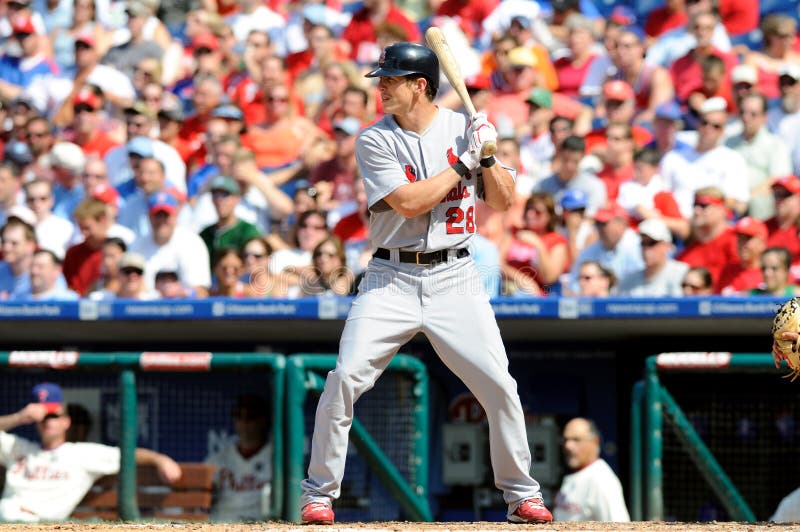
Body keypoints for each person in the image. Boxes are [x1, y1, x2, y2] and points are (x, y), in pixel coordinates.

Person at [300, 42, 553, 525]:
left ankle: (522, 494)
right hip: (390, 276)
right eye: (381, 79)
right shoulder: (373, 139)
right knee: (345, 378)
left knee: (498, 384)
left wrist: (487, 157)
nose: (381, 87)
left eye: (390, 80)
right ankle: (319, 493)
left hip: (456, 274)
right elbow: (411, 203)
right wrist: (462, 164)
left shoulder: (464, 129)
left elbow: (501, 200)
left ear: (420, 86)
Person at [0, 382, 181, 522]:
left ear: (67, 422)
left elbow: (127, 454)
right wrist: (19, 417)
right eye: (43, 418)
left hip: (35, 523)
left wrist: (160, 459)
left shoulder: (82, 455)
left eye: (54, 416)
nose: (48, 422)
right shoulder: (18, 447)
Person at [205, 394, 272, 522]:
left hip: (262, 524)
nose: (244, 422)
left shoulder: (278, 459)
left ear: (263, 420)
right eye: (239, 416)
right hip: (223, 524)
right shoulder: (219, 460)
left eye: (251, 416)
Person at [553, 417, 630, 522]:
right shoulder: (578, 473)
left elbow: (619, 527)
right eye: (566, 440)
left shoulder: (602, 479)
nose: (568, 446)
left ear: (595, 441)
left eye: (576, 440)